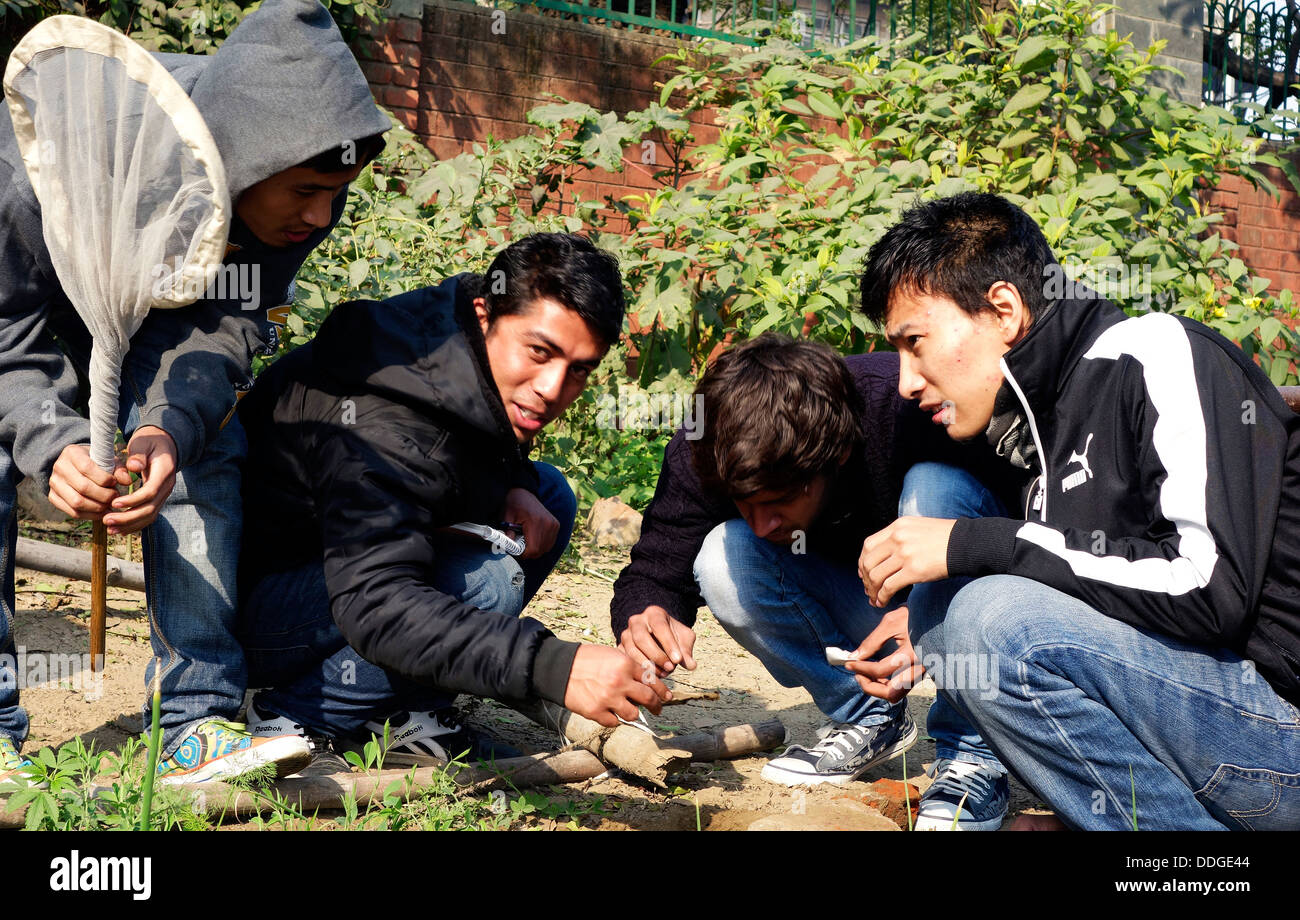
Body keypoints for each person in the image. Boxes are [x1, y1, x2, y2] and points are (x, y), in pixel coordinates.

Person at [0, 0, 390, 785]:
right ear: (242, 158)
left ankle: (195, 719)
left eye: (337, 191)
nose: (321, 216)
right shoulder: (30, 172)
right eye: (308, 191)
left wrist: (168, 430)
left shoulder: (302, 169)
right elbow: (8, 331)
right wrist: (54, 440)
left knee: (197, 444)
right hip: (33, 294)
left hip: (158, 302)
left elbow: (227, 325)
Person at [852, 191, 1300, 830]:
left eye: (915, 342)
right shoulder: (1044, 426)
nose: (906, 381)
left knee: (991, 619)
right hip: (1227, 731)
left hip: (1281, 733)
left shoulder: (1154, 352)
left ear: (1003, 310)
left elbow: (1208, 588)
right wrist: (927, 641)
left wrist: (984, 543)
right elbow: (1100, 587)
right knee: (959, 629)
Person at [232, 233, 672, 762]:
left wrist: (516, 483)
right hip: (267, 611)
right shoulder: (383, 423)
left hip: (333, 568)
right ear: (486, 314)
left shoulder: (455, 343)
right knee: (486, 582)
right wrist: (553, 665)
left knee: (548, 495)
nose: (553, 388)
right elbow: (377, 603)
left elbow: (468, 441)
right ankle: (298, 712)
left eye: (579, 369)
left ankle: (403, 710)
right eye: (540, 352)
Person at [610, 333, 1019, 820]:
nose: (763, 524)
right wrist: (646, 615)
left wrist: (932, 619)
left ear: (838, 455)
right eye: (747, 503)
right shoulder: (710, 439)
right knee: (723, 554)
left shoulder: (909, 406)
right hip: (869, 613)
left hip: (971, 610)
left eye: (779, 503)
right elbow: (656, 566)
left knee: (936, 485)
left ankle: (971, 756)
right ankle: (870, 717)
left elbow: (1036, 534)